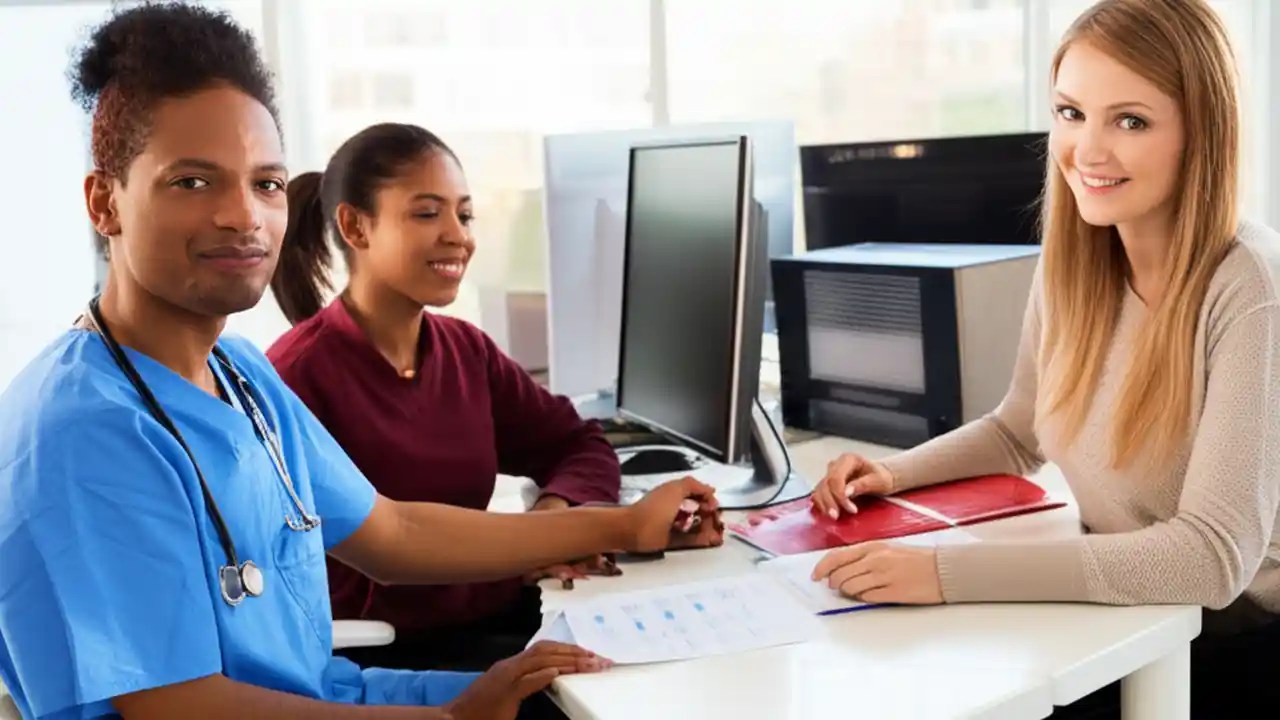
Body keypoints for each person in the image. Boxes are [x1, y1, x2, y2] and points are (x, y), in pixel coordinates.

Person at [0, 4, 721, 720]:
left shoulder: (243, 376)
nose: (243, 215)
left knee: (622, 691)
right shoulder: (82, 431)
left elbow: (393, 535)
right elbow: (178, 706)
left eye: (267, 183)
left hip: (333, 695)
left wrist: (623, 527)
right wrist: (451, 719)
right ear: (105, 202)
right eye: (193, 182)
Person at [809, 0, 1279, 716]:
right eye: (1070, 112)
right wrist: (894, 473)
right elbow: (1018, 428)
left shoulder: (1251, 290)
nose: (1087, 152)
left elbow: (1210, 559)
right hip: (1131, 618)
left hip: (1238, 642)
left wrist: (942, 572)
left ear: (1201, 135)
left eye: (1131, 120)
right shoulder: (1080, 257)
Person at [264, 124, 629, 674]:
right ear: (355, 226)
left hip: (489, 618)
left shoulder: (464, 350)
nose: (458, 234)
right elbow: (387, 562)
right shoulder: (296, 376)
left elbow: (577, 442)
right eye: (427, 213)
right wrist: (543, 541)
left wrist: (553, 521)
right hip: (393, 657)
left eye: (464, 214)